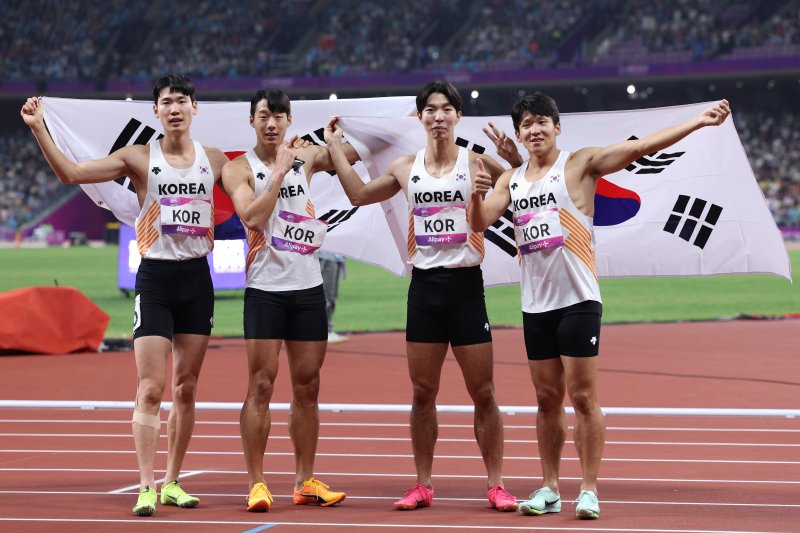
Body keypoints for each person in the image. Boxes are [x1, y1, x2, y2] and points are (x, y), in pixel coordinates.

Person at [467, 93, 731, 520]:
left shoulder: (579, 163)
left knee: (584, 397)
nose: (535, 130)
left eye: (541, 122)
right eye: (526, 124)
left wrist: (697, 122)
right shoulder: (511, 180)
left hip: (579, 300)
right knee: (546, 399)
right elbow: (479, 222)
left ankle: (588, 489)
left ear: (557, 127)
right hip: (536, 305)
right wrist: (477, 196)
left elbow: (639, 148)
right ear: (518, 134)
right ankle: (550, 487)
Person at [21, 74, 230, 517]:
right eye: (167, 102)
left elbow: (257, 185)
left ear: (196, 108)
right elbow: (72, 174)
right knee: (152, 388)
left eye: (182, 101)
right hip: (155, 280)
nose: (175, 109)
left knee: (187, 388)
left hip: (197, 280)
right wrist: (40, 127)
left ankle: (174, 481)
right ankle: (147, 485)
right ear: (155, 111)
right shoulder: (138, 157)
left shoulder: (213, 160)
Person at [325, 80, 523, 512]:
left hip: (467, 288)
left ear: (457, 116)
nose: (437, 116)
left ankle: (496, 485)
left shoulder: (476, 163)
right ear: (420, 117)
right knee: (422, 393)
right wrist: (336, 148)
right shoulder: (403, 167)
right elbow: (359, 195)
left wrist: (513, 158)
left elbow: (521, 184)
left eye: (445, 109)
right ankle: (423, 484)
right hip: (425, 289)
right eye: (430, 109)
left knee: (484, 392)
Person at [221, 88, 361, 512]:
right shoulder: (238, 169)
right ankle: (257, 483)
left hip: (307, 288)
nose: (272, 123)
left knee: (308, 387)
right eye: (264, 115)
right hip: (265, 291)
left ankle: (304, 480)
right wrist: (280, 170)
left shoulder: (308, 156)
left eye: (279, 116)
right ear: (252, 121)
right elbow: (252, 216)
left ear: (289, 120)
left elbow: (358, 153)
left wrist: (339, 141)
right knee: (261, 385)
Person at [318, 251, 348, 343]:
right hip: (325, 255)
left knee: (331, 295)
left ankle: (327, 330)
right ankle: (323, 331)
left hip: (335, 256)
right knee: (326, 296)